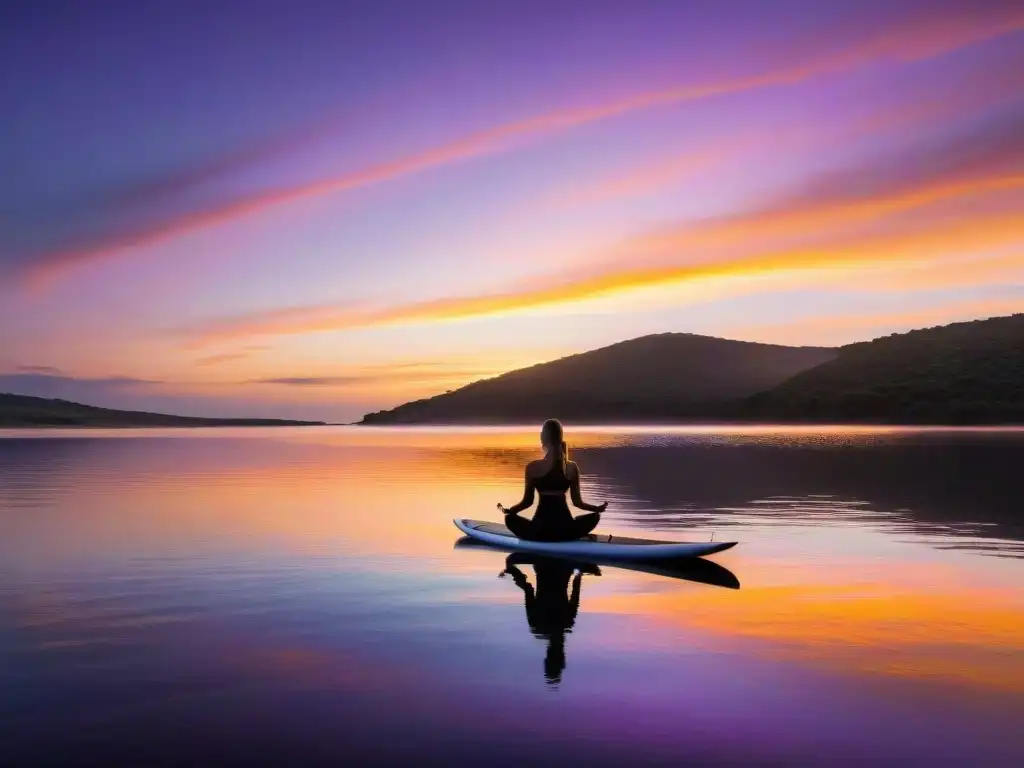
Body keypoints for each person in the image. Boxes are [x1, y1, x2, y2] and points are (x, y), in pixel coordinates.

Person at [497, 418, 608, 542]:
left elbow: (527, 502)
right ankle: (571, 535)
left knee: (509, 519)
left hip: (540, 531)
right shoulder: (571, 467)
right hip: (565, 530)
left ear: (543, 438)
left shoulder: (533, 467)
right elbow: (578, 503)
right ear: (560, 437)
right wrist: (596, 509)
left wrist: (510, 511)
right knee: (595, 517)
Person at [499, 553, 600, 686]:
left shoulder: (566, 623)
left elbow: (575, 588)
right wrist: (512, 570)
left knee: (510, 560)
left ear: (562, 657)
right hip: (546, 565)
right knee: (510, 561)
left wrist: (581, 572)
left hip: (561, 565)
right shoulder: (537, 626)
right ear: (547, 656)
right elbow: (528, 589)